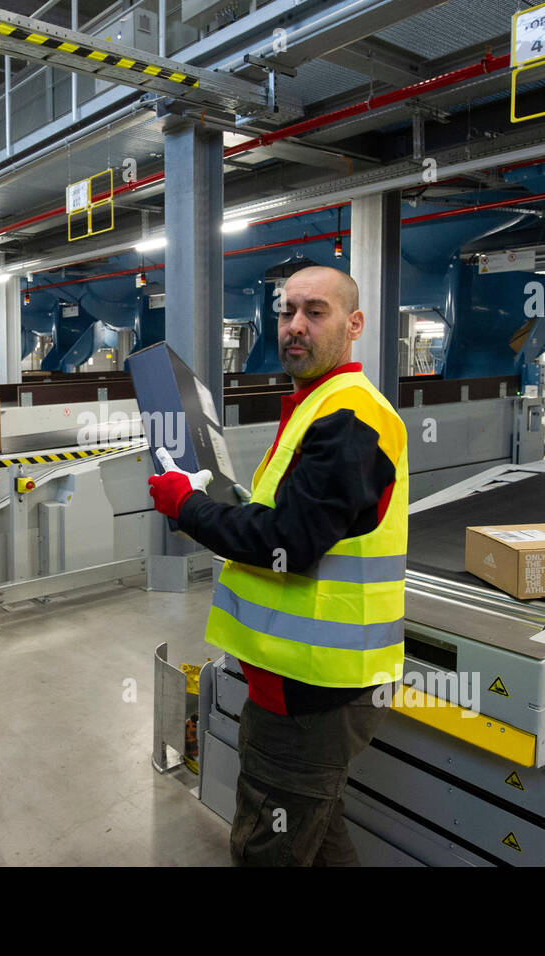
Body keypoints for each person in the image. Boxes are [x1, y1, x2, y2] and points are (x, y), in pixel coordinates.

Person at [147, 266, 407, 866]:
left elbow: (287, 540)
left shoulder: (348, 418)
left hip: (312, 693)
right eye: (287, 311)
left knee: (269, 845)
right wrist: (226, 501)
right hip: (301, 683)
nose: (294, 326)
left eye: (315, 312)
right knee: (316, 835)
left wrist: (187, 507)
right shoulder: (317, 407)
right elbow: (289, 518)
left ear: (354, 324)